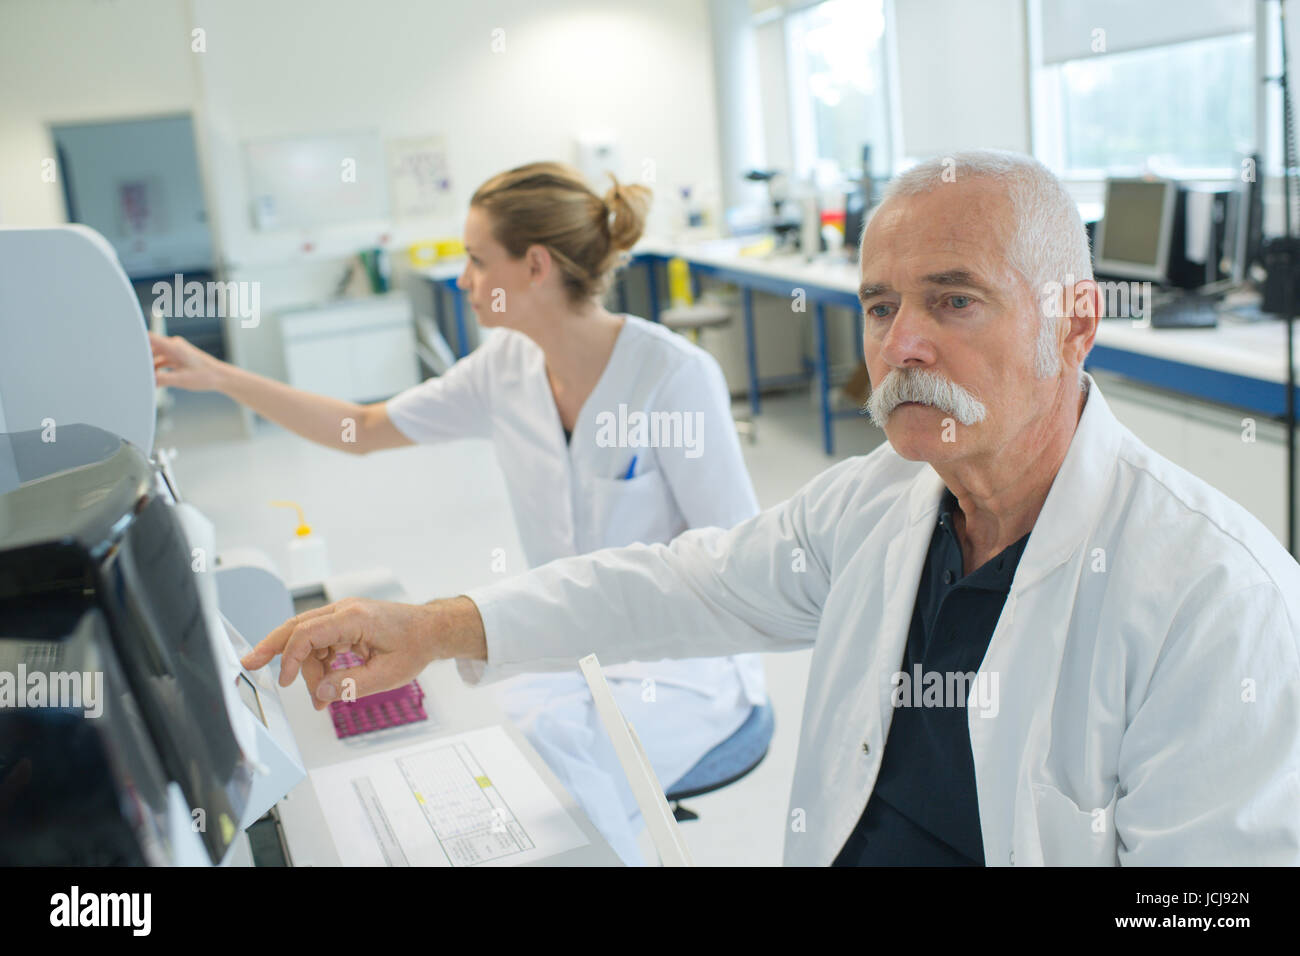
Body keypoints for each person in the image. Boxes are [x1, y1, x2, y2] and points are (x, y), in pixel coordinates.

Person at [243, 149, 1300, 866]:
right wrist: (433, 626)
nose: (901, 344)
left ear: (1075, 326)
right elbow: (681, 581)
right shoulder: (881, 500)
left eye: (954, 298)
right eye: (879, 306)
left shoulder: (1216, 599)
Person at [152, 161, 766, 866]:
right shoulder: (504, 366)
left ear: (535, 266)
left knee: (560, 781)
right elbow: (361, 428)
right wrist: (221, 376)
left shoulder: (672, 377)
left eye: (477, 260)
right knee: (476, 751)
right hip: (567, 643)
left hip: (683, 665)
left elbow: (738, 565)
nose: (462, 279)